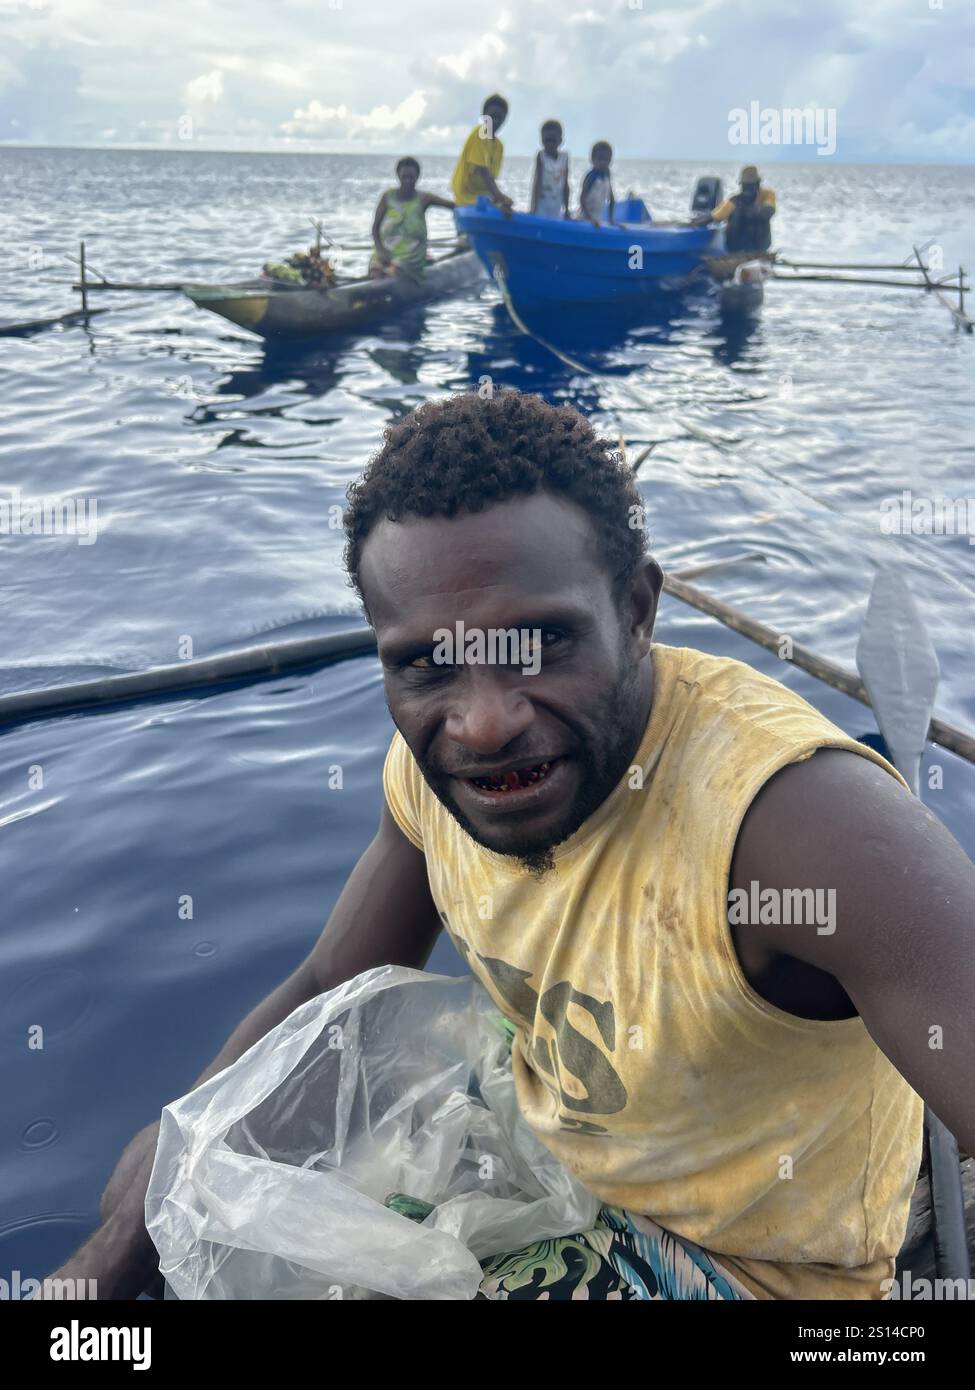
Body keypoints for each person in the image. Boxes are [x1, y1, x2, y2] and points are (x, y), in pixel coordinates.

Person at [46, 391, 975, 1301]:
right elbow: (330, 987)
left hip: (737, 1265)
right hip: (552, 1165)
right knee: (157, 1189)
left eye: (542, 645)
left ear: (639, 611)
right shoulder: (436, 767)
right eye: (426, 663)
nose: (484, 722)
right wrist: (141, 1211)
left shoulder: (799, 826)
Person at [368, 157, 454, 281]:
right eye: (404, 177)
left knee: (393, 272)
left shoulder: (424, 198)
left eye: (411, 177)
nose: (407, 181)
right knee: (375, 271)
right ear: (398, 176)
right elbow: (375, 227)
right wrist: (381, 250)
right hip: (387, 250)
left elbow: (452, 206)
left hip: (412, 254)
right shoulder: (387, 197)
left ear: (417, 177)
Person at [451, 94, 513, 214]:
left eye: (499, 118)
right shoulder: (479, 134)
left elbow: (491, 178)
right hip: (466, 198)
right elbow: (483, 171)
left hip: (484, 197)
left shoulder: (499, 146)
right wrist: (500, 197)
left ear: (505, 119)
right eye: (492, 117)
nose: (495, 121)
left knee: (509, 213)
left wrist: (499, 200)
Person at [702, 164, 776, 254]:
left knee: (760, 217)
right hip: (736, 246)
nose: (748, 189)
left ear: (758, 184)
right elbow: (715, 216)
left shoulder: (767, 195)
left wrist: (753, 209)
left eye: (751, 185)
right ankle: (740, 252)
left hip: (760, 245)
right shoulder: (735, 200)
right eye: (746, 185)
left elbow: (769, 211)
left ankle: (756, 252)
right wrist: (694, 222)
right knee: (737, 211)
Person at [530, 120, 569, 219]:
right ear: (542, 140)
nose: (550, 144)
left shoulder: (564, 158)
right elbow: (537, 182)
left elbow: (565, 184)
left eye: (553, 140)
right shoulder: (541, 156)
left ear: (560, 140)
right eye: (547, 140)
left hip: (556, 202)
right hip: (542, 202)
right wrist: (534, 208)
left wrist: (567, 210)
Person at [578, 141, 616, 227]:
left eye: (606, 160)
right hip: (585, 218)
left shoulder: (607, 174)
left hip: (598, 218)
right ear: (592, 159)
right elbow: (582, 199)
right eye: (600, 159)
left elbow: (612, 199)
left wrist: (611, 219)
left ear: (610, 160)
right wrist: (589, 219)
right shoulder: (591, 176)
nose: (603, 162)